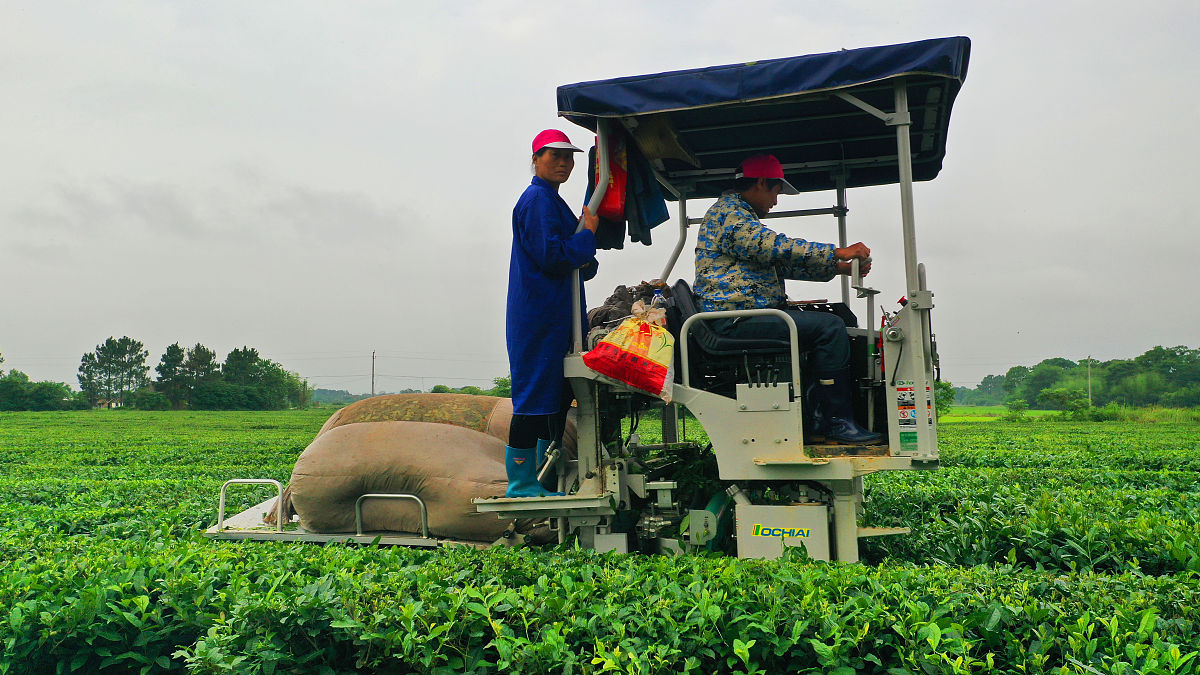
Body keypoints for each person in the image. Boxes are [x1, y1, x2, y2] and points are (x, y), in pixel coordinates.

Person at [693, 154, 881, 445]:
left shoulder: (736, 214)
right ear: (760, 183)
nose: (776, 201)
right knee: (829, 328)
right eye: (776, 192)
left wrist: (837, 268)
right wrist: (835, 252)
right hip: (734, 319)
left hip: (743, 314)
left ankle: (816, 418)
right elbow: (771, 246)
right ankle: (837, 422)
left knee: (834, 320)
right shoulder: (731, 214)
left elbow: (776, 263)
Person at [505, 129, 600, 497]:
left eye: (568, 156)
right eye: (554, 155)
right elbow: (553, 256)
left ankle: (544, 476)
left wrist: (583, 251)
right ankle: (521, 483)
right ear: (536, 159)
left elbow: (574, 261)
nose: (563, 162)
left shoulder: (552, 201)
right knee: (534, 397)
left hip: (556, 314)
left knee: (558, 396)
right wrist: (587, 235)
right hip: (539, 315)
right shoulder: (537, 200)